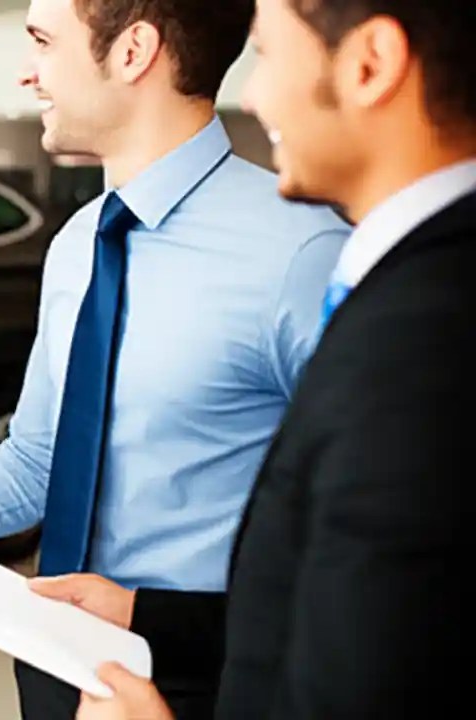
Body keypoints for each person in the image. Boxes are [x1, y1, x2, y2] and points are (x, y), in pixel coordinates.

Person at [0, 0, 351, 717]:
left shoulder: (301, 254)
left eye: (42, 41)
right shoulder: (76, 244)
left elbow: (355, 533)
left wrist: (157, 619)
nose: (27, 73)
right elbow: (40, 460)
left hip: (208, 681)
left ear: (133, 53)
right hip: (52, 660)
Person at [73, 0, 473, 717]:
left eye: (266, 54)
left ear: (369, 65)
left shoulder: (421, 340)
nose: (251, 96)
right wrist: (146, 617)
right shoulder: (404, 292)